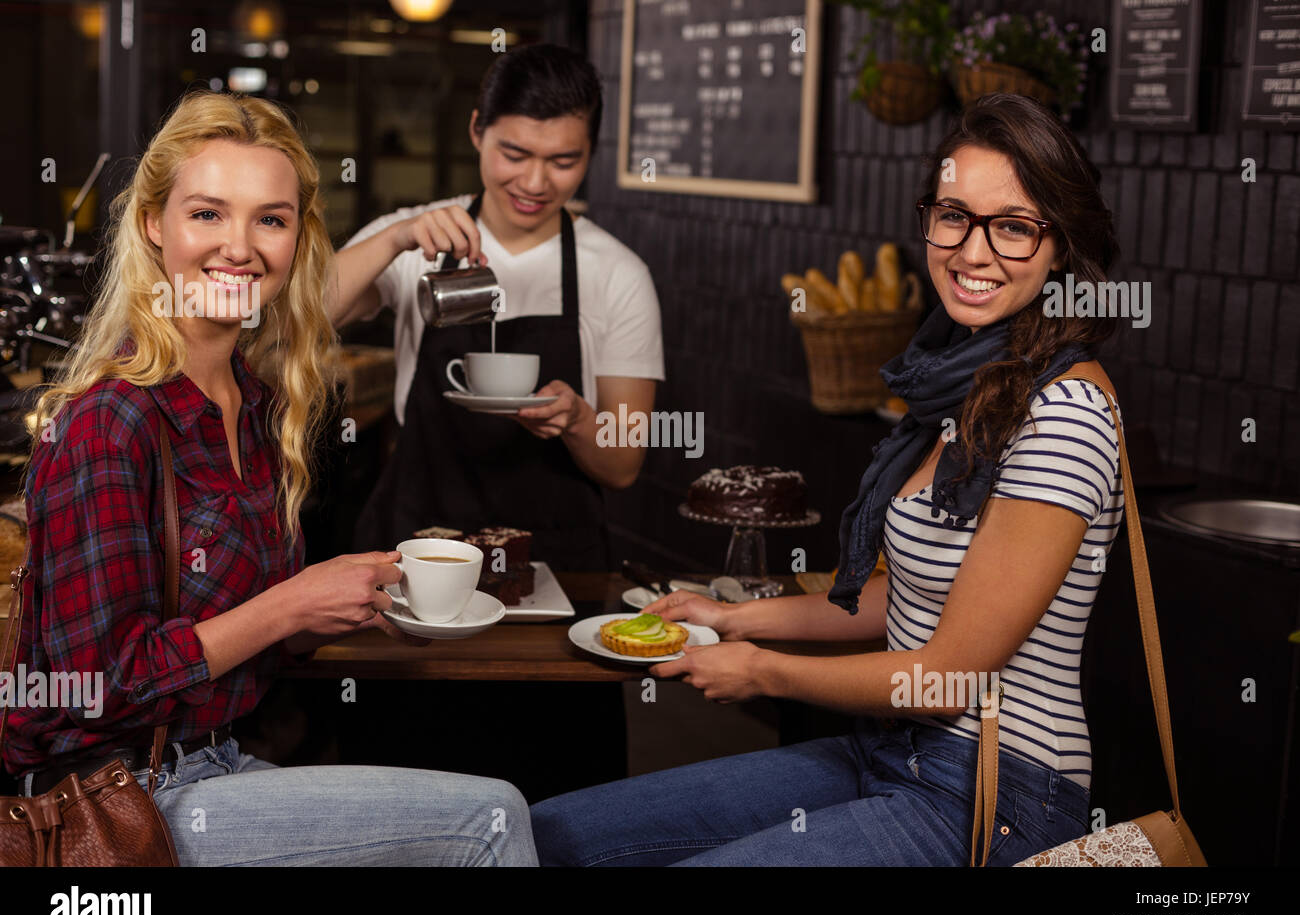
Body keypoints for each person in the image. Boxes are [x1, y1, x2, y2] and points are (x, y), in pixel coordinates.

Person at [530, 93, 1124, 866]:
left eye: (1012, 227)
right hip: (887, 752)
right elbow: (909, 599)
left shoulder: (1065, 412)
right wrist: (734, 618)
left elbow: (951, 677)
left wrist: (765, 673)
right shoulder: (964, 386)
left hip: (993, 788)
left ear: (1061, 248)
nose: (972, 252)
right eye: (953, 215)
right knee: (550, 835)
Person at [1, 90, 536, 866]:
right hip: (128, 800)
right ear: (155, 225)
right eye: (208, 214)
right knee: (491, 817)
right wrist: (291, 603)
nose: (240, 246)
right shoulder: (109, 420)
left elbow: (228, 631)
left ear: (297, 237)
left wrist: (328, 612)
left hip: (217, 763)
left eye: (271, 219)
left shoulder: (250, 401)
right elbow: (99, 685)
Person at [331, 43, 664, 570]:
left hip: (554, 562)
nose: (534, 183)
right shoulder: (417, 236)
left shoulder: (618, 274)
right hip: (416, 545)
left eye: (563, 161)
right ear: (476, 132)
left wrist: (577, 420)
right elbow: (302, 315)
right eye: (514, 154)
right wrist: (394, 239)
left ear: (591, 153)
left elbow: (623, 463)